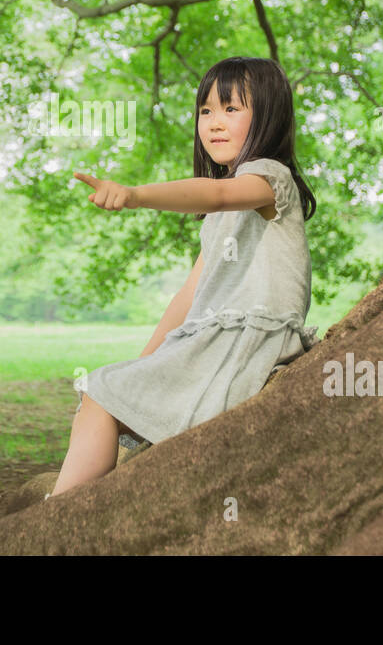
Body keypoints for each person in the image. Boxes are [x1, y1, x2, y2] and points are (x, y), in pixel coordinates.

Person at [47, 56, 319, 500]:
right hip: (209, 342)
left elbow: (217, 192)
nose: (213, 122)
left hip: (245, 343)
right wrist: (144, 362)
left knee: (99, 392)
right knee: (103, 392)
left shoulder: (269, 177)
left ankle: (55, 517)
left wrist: (135, 195)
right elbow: (187, 297)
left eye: (231, 109)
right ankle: (61, 509)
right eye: (206, 111)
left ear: (269, 115)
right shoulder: (218, 220)